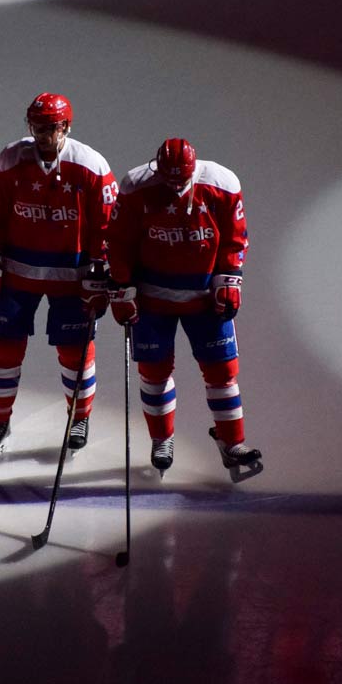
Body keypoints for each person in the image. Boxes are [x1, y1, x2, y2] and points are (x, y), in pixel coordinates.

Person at [0, 92, 117, 460]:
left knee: (73, 351)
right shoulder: (11, 158)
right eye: (36, 126)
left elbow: (109, 223)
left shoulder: (91, 165)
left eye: (50, 127)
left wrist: (101, 267)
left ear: (66, 126)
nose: (41, 134)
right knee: (4, 348)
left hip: (73, 274)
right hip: (18, 271)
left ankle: (79, 418)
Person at [106, 138, 263, 478]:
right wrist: (121, 286)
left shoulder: (221, 184)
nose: (175, 186)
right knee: (154, 372)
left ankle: (232, 441)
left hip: (204, 297)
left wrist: (229, 278)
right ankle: (161, 439)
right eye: (168, 178)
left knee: (222, 372)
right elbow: (118, 240)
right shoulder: (135, 187)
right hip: (152, 299)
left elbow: (236, 237)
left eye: (181, 179)